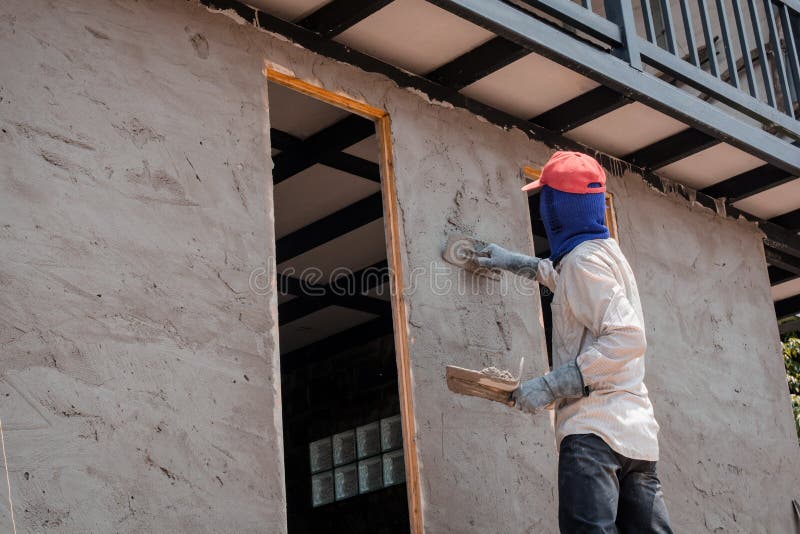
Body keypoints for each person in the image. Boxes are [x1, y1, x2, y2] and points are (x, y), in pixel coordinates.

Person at [477, 151, 673, 533]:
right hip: (636, 440)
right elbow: (563, 280)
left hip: (594, 434)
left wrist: (549, 386)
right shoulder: (603, 254)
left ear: (557, 208)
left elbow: (627, 338)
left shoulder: (583, 263)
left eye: (545, 198)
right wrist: (508, 260)